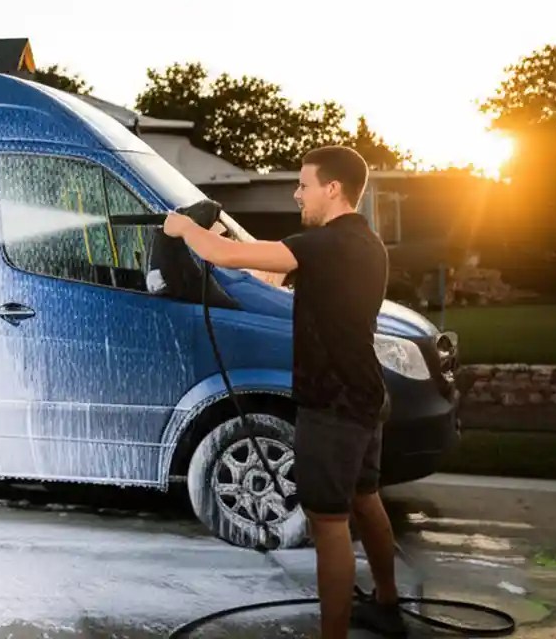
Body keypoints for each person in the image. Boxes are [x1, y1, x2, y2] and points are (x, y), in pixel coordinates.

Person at [163, 145, 407, 639]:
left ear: (333, 188)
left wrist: (185, 229)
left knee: (328, 522)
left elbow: (226, 256)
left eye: (303, 185)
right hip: (363, 393)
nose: (297, 194)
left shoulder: (324, 244)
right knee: (365, 499)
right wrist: (221, 238)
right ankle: (386, 604)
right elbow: (267, 270)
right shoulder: (363, 243)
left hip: (332, 403)